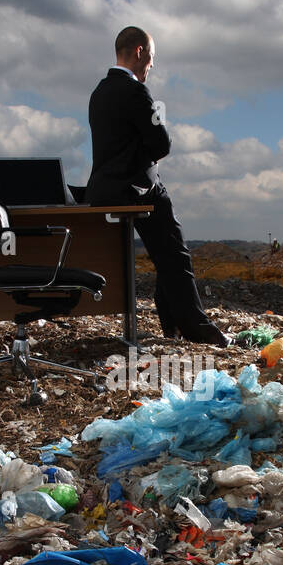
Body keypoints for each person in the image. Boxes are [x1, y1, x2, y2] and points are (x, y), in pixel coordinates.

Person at [86, 27, 229, 347]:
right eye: (151, 57)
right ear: (139, 52)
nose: (152, 64)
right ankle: (196, 328)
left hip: (103, 190)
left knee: (166, 256)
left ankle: (173, 324)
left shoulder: (99, 92)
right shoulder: (135, 91)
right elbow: (161, 144)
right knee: (175, 256)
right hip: (137, 190)